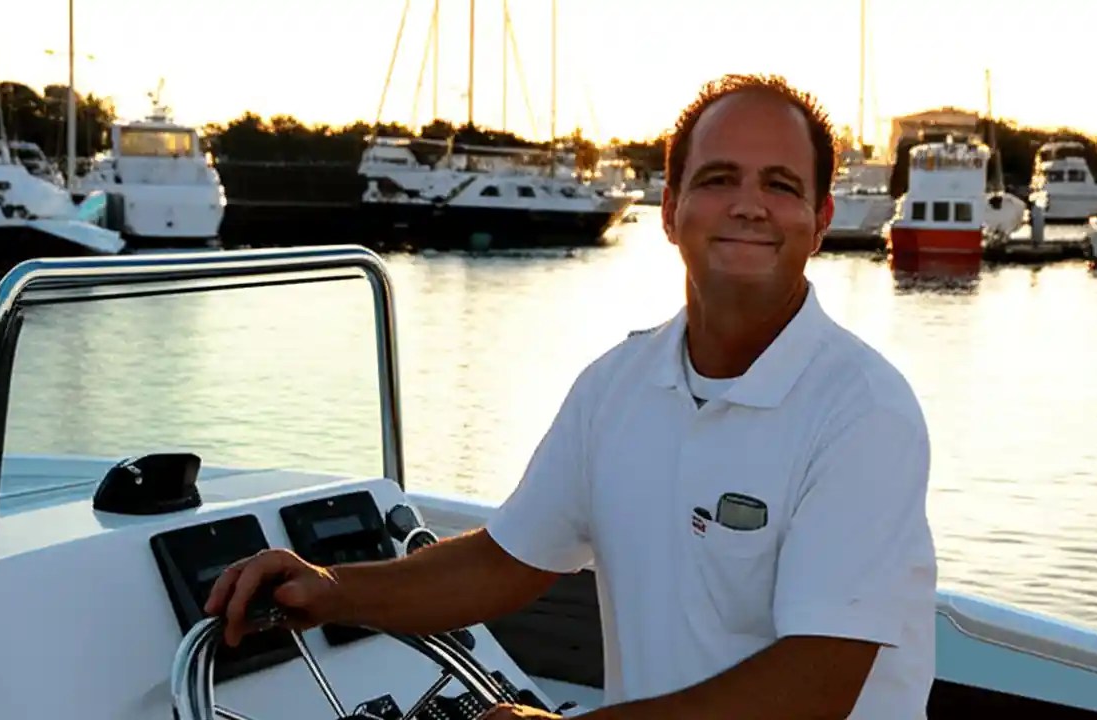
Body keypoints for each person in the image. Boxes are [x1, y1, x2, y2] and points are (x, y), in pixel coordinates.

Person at [205, 73, 937, 719]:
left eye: (781, 184)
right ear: (670, 208)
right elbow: (506, 560)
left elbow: (816, 686)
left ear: (821, 223)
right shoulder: (618, 387)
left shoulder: (863, 411)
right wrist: (332, 589)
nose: (749, 206)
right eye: (719, 179)